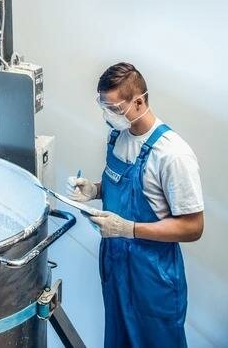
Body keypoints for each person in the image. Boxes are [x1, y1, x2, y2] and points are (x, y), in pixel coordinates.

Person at [67, 62, 204, 348]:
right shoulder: (119, 136)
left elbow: (193, 227)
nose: (108, 116)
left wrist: (128, 228)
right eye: (103, 107)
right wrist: (94, 189)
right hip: (116, 268)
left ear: (139, 102)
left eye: (114, 109)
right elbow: (124, 188)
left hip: (152, 279)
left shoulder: (173, 155)